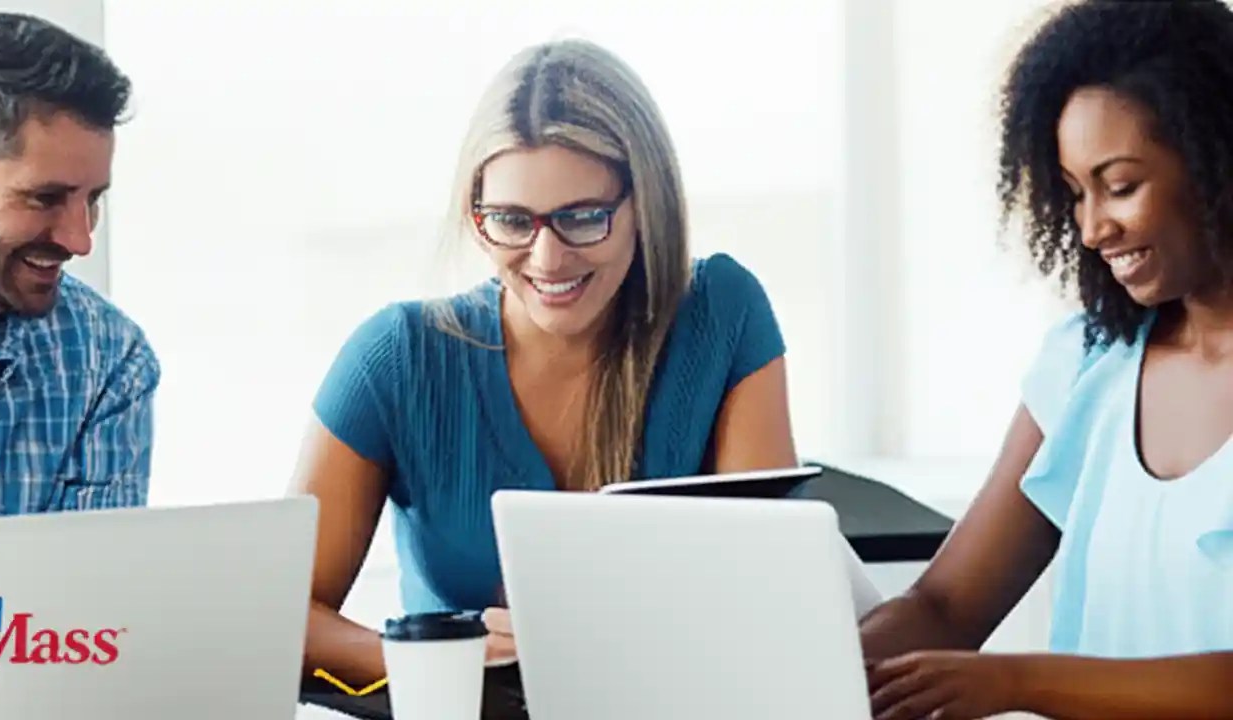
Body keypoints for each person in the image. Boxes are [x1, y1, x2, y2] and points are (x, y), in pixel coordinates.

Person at [291, 38, 797, 685]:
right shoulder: (398, 357)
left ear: (645, 204)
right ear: (476, 218)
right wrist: (444, 655)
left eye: (583, 218)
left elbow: (770, 597)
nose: (547, 257)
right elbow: (283, 612)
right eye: (511, 220)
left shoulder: (722, 313)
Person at [861, 1, 1233, 718]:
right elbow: (943, 606)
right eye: (1074, 194)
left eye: (1121, 185)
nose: (1093, 229)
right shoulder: (1087, 363)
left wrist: (1016, 682)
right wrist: (818, 661)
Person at [0, 12, 160, 518]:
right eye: (45, 198)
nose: (80, 239)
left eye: (93, 200)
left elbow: (91, 592)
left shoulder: (107, 360)